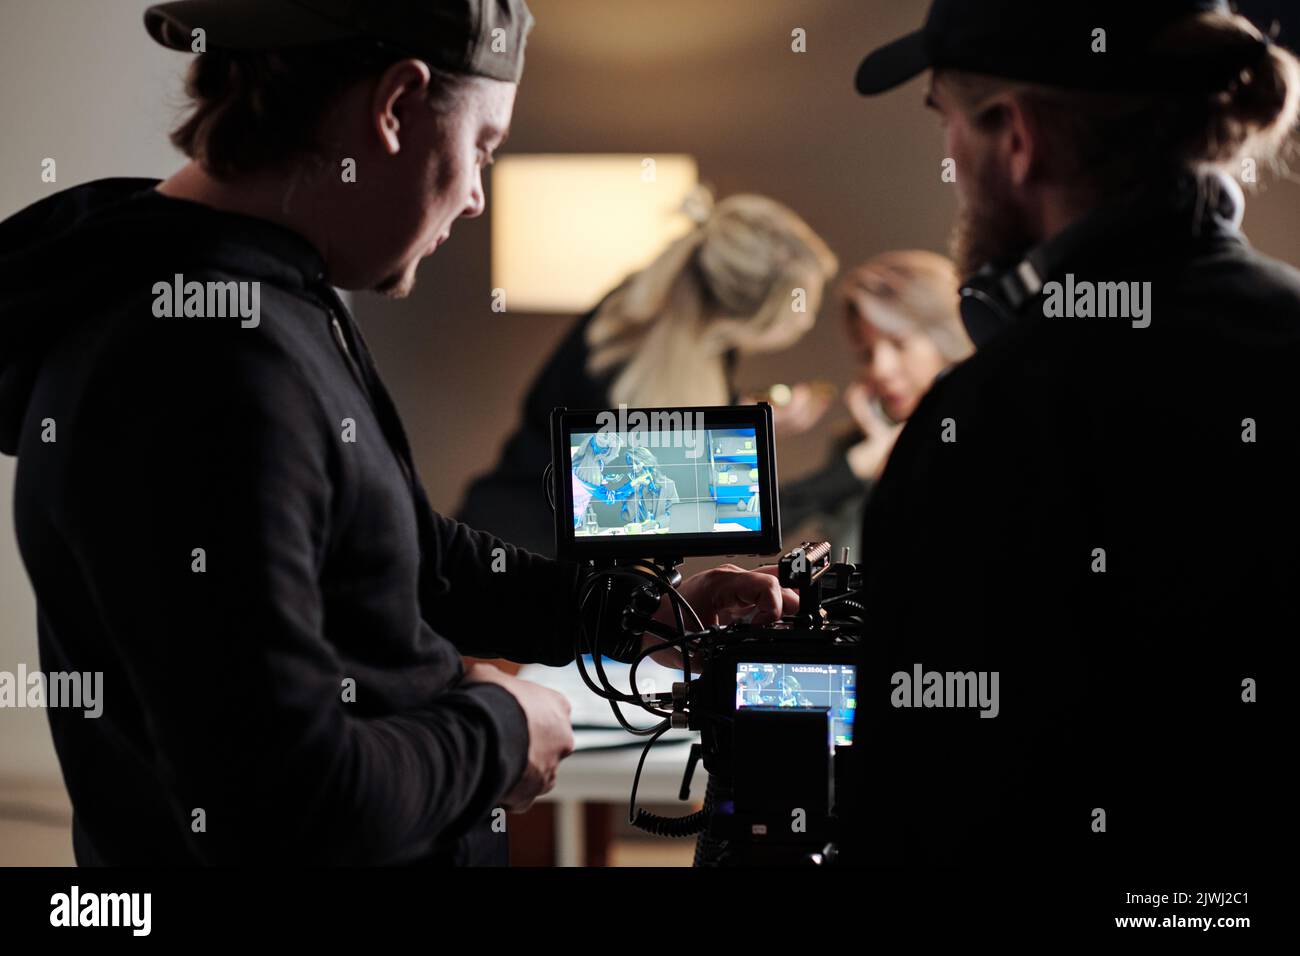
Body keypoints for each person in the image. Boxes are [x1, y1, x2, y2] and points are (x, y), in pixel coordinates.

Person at [0, 0, 796, 866]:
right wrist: (500, 728)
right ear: (396, 107)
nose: (477, 197)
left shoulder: (278, 300)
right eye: (483, 148)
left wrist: (652, 616)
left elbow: (418, 555)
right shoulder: (207, 361)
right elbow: (280, 797)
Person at [846, 0, 1299, 868]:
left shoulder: (980, 426)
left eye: (946, 122)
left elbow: (916, 812)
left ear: (1016, 139)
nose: (949, 156)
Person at [456, 191, 838, 554]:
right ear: (748, 319)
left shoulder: (649, 309)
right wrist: (843, 473)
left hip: (500, 525)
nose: (806, 322)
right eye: (803, 309)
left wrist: (740, 408)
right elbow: (722, 514)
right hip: (524, 562)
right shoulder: (642, 378)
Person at [779, 250, 972, 555]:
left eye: (898, 343)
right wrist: (862, 467)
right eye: (867, 354)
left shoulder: (984, 432)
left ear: (945, 338)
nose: (879, 369)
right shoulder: (855, 447)